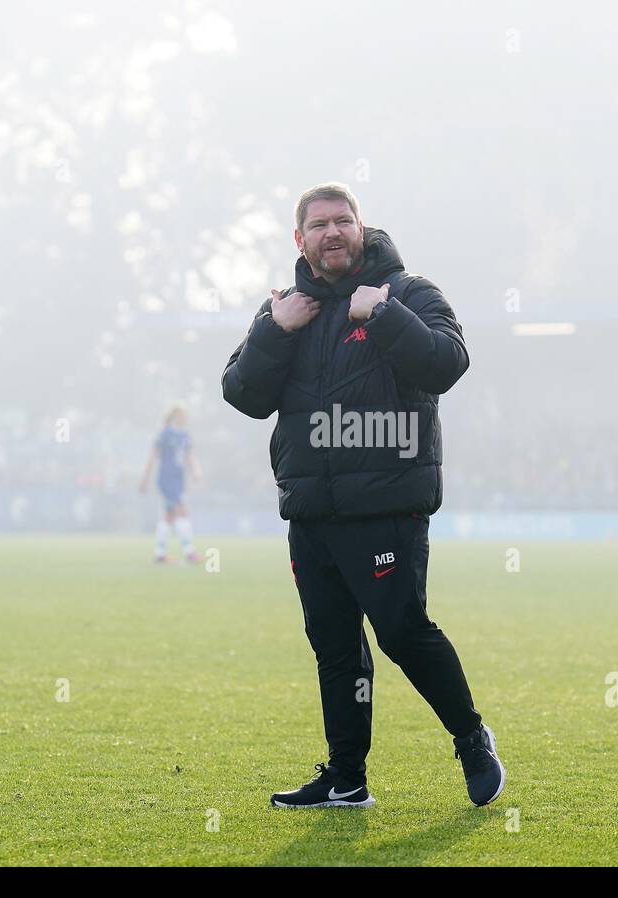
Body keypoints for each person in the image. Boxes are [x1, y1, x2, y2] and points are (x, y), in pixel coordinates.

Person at [221, 181, 504, 808]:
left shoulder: (407, 293)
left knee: (402, 634)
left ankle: (471, 738)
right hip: (312, 515)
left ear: (361, 227)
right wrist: (274, 329)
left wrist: (382, 314)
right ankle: (346, 779)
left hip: (385, 509)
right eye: (318, 225)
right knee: (333, 648)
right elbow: (241, 394)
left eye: (342, 221)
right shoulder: (286, 311)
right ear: (300, 239)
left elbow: (447, 364)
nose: (332, 233)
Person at [139, 402, 201, 564]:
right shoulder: (164, 434)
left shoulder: (185, 435)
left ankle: (160, 554)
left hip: (178, 480)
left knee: (168, 516)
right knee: (182, 511)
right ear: (176, 416)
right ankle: (189, 553)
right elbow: (153, 456)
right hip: (167, 479)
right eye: (183, 415)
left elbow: (189, 457)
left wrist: (195, 472)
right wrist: (144, 479)